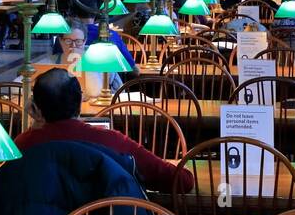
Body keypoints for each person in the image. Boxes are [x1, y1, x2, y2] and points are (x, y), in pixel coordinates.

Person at [15, 69, 191, 193]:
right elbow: (181, 181)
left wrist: (35, 126)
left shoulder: (24, 144)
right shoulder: (111, 141)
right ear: (79, 101)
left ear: (36, 108)